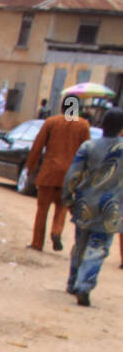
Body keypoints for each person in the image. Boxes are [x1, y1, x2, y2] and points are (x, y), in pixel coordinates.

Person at [61, 107, 123, 306]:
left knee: (80, 244)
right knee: (97, 247)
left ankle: (72, 282)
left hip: (85, 204)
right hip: (111, 207)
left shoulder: (88, 147)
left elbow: (72, 175)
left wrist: (67, 199)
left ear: (102, 125)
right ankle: (84, 285)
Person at [26, 96, 91, 252]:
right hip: (70, 175)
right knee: (62, 207)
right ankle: (56, 232)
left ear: (62, 107)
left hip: (49, 172)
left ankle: (37, 242)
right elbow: (87, 150)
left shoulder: (51, 122)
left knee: (42, 209)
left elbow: (37, 145)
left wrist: (31, 166)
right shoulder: (83, 125)